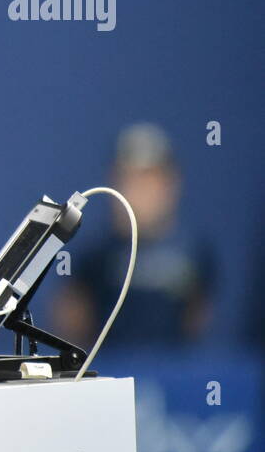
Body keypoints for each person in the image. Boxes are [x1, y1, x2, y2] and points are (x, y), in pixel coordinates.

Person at [54, 123, 215, 346]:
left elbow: (197, 319)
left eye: (150, 179)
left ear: (171, 183)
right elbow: (72, 327)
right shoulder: (94, 257)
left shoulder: (196, 254)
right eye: (130, 179)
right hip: (110, 374)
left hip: (172, 376)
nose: (141, 190)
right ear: (114, 182)